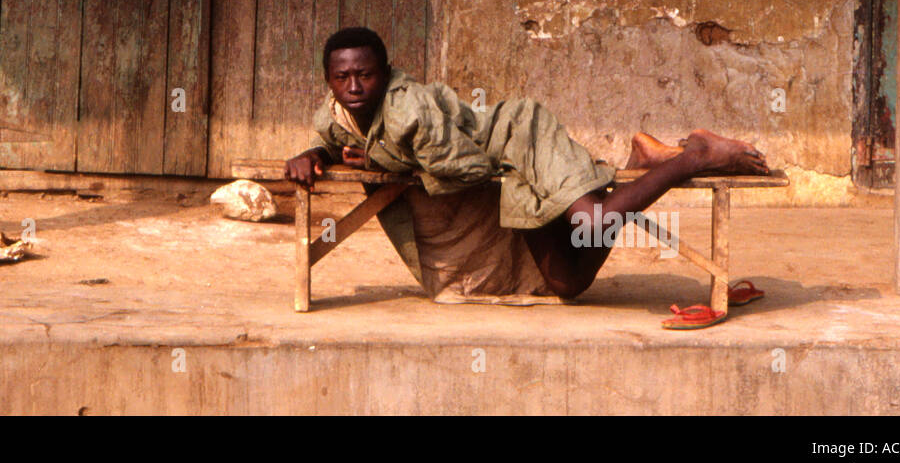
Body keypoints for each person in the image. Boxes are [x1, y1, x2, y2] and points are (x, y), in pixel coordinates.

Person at [284, 26, 768, 304]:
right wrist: (312, 155)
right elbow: (328, 139)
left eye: (364, 74)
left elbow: (469, 170)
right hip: (508, 172)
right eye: (341, 76)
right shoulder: (335, 114)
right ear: (328, 80)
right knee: (568, 282)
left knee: (593, 220)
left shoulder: (408, 112)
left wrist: (381, 158)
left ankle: (695, 154)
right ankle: (640, 163)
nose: (353, 87)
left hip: (518, 137)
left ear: (385, 74)